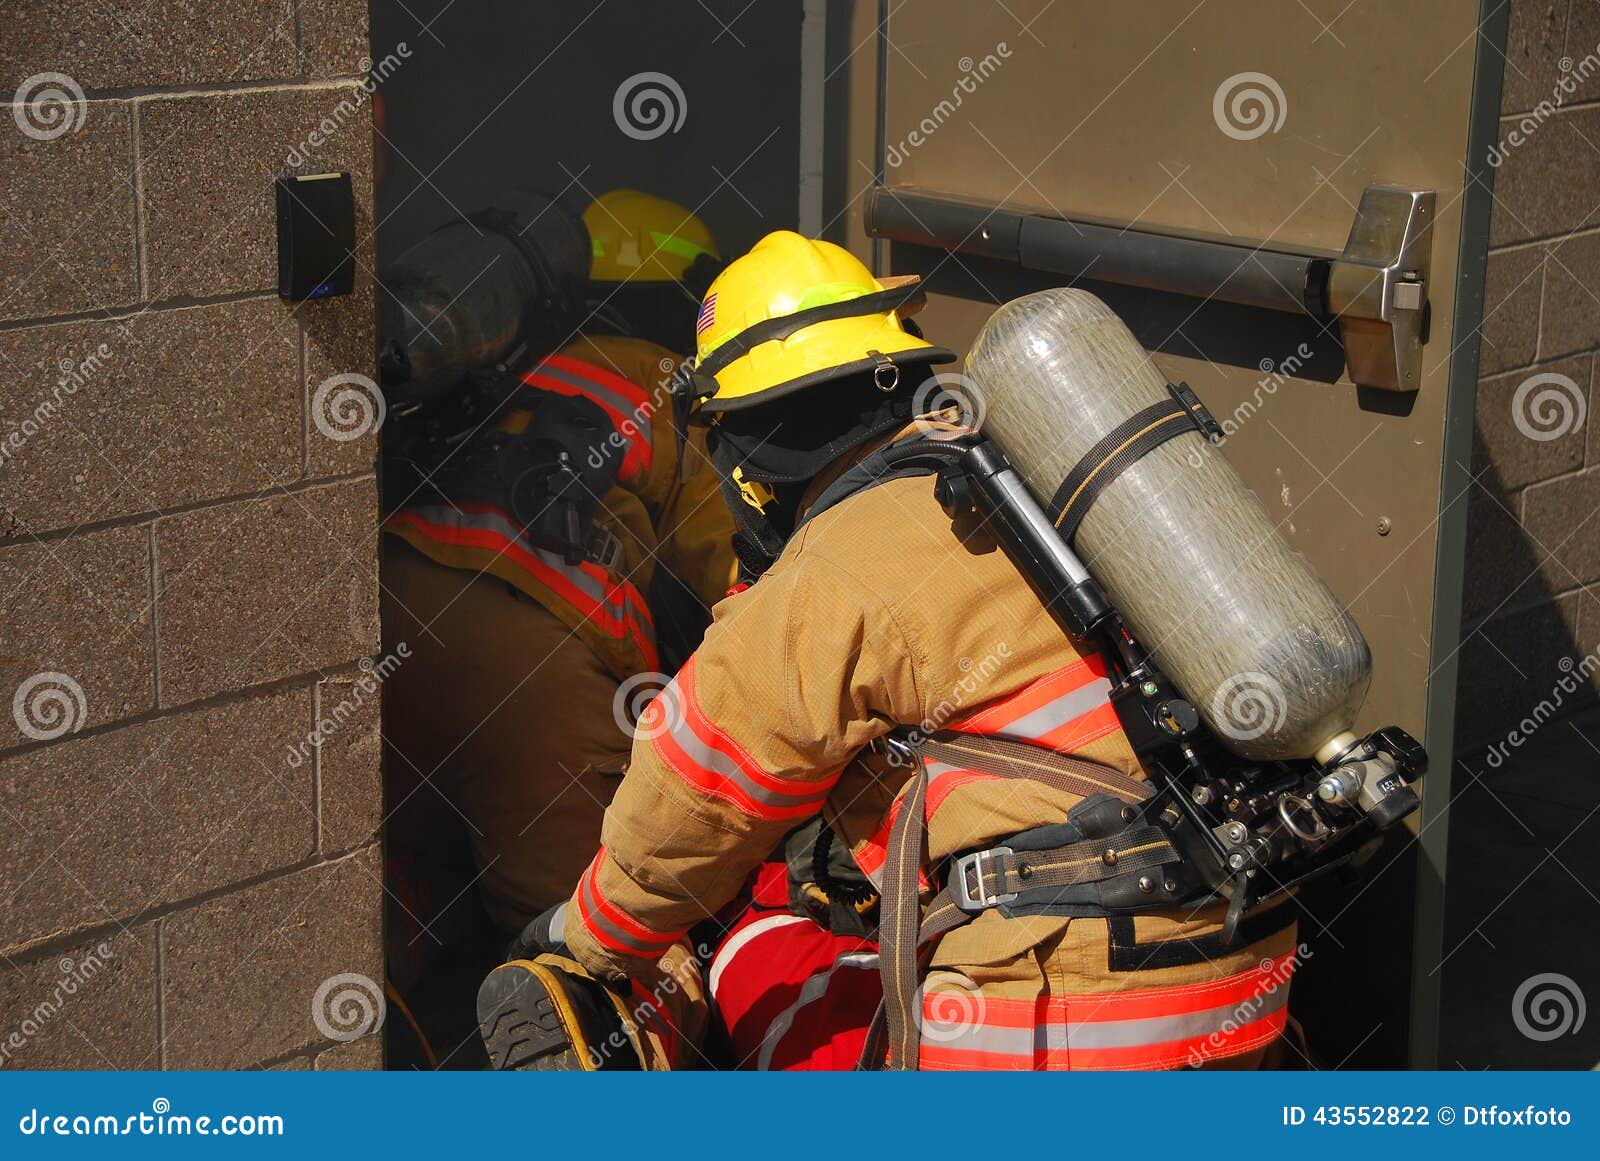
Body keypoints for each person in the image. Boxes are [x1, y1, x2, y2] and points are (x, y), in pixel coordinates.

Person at [476, 231, 1300, 1072]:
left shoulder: (843, 555)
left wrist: (588, 934)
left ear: (750, 450)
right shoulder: (1036, 488)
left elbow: (696, 788)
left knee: (809, 1003)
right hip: (1243, 966)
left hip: (1064, 1003)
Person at [379, 192, 736, 987]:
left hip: (384, 632)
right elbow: (730, 573)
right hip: (530, 676)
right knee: (608, 951)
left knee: (408, 887)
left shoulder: (490, 368)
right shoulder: (665, 384)